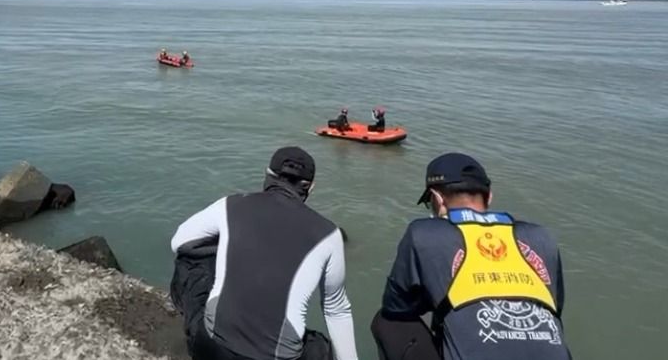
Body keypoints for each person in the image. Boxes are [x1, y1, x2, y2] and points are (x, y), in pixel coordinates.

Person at [370, 153, 571, 360]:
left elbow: (397, 307)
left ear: (437, 199)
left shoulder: (424, 233)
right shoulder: (542, 237)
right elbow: (555, 308)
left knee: (387, 322)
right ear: (489, 195)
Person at [170, 146, 358, 360]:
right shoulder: (330, 234)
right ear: (310, 187)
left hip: (211, 348)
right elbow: (337, 310)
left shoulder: (231, 204)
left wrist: (231, 248)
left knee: (190, 261)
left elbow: (180, 242)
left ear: (268, 174)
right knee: (319, 346)